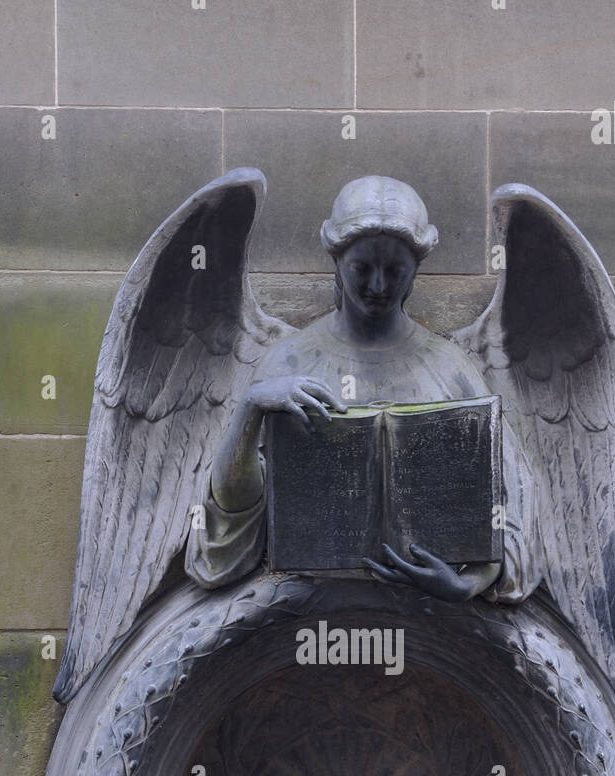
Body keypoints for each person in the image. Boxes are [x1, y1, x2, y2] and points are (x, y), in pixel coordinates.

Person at [186, 175, 541, 605]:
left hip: (429, 629)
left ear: (416, 269)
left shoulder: (451, 370)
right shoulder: (287, 362)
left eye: (394, 270)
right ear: (336, 261)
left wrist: (471, 581)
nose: (377, 286)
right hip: (304, 620)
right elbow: (230, 526)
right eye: (362, 268)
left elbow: (509, 505)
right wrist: (251, 408)